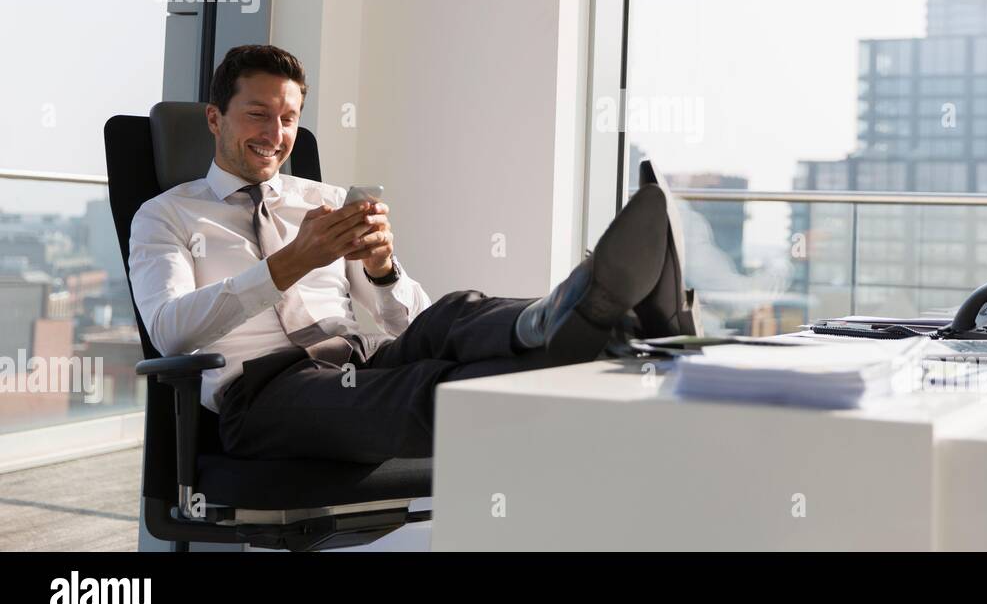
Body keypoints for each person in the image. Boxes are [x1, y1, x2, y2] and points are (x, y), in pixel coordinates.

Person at [128, 44, 689, 463]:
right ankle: (619, 331)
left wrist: (382, 269)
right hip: (264, 392)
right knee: (422, 389)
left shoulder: (323, 200)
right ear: (214, 117)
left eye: (290, 117)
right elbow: (171, 333)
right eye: (257, 113)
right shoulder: (166, 216)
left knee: (456, 314)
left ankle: (576, 314)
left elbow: (415, 322)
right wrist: (292, 262)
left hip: (364, 357)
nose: (276, 133)